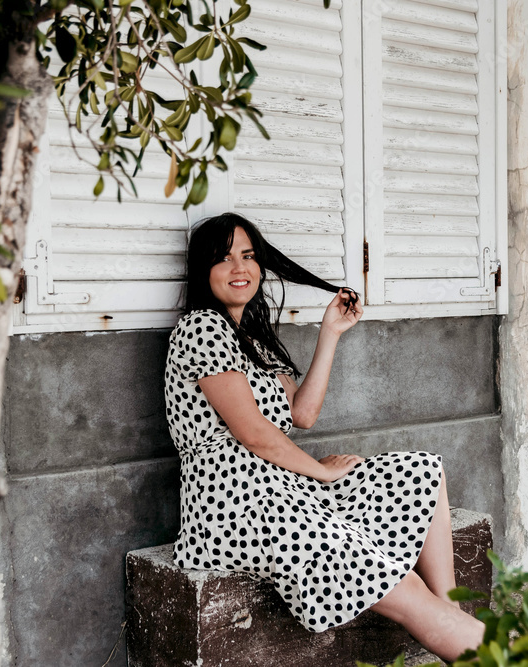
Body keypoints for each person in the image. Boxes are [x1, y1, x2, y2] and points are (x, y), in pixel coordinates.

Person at [163, 212, 486, 662]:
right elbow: (253, 434)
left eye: (249, 256)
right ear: (204, 270)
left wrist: (330, 331)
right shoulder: (201, 327)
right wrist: (321, 472)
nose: (240, 268)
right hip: (232, 502)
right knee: (400, 582)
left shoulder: (249, 338)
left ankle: (450, 612)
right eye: (224, 259)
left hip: (279, 487)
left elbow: (302, 413)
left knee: (421, 472)